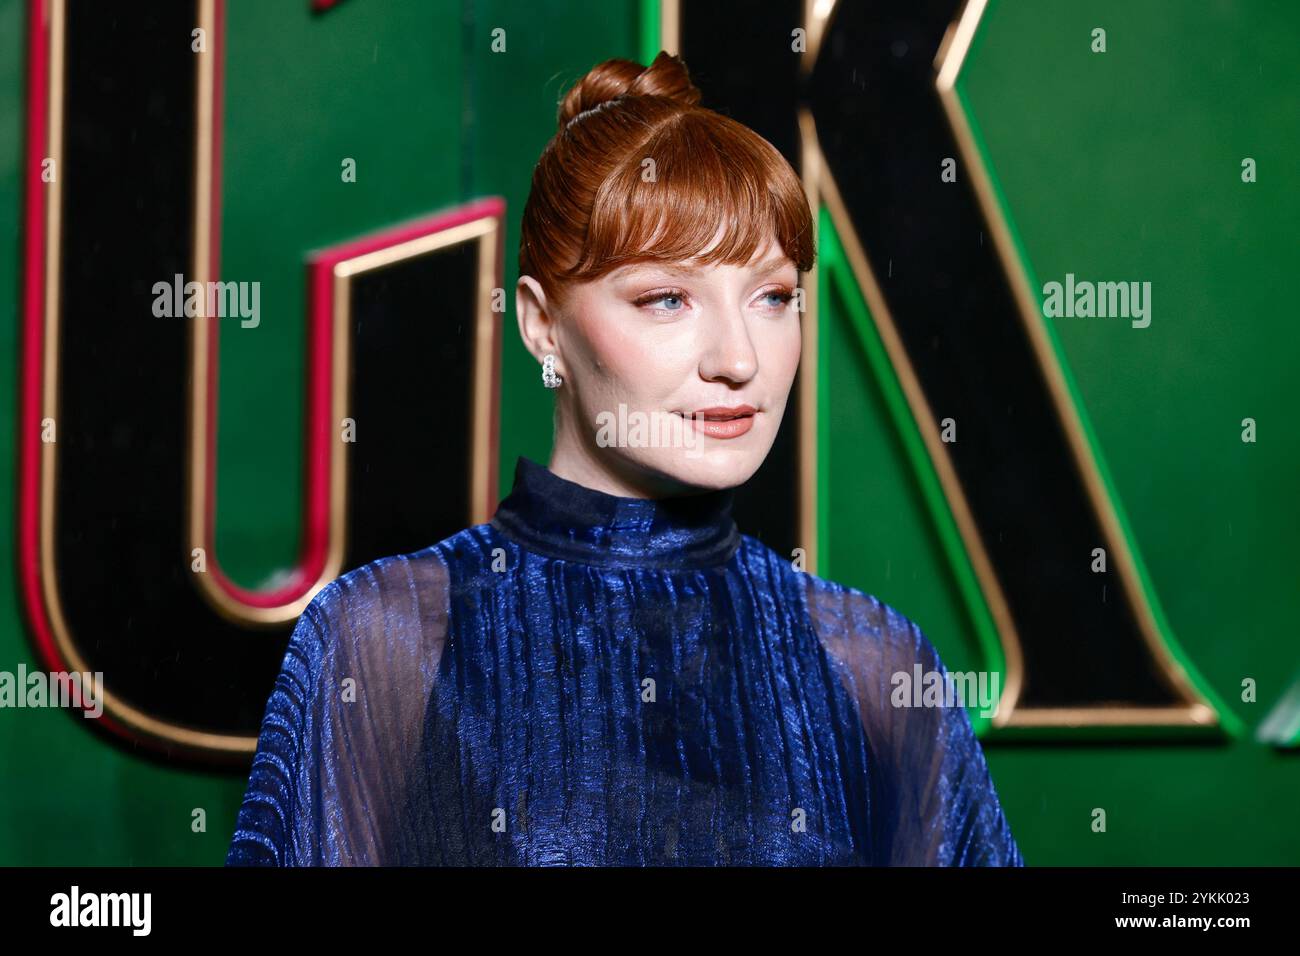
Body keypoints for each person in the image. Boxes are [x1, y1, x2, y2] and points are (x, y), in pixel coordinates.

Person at [226, 51, 1023, 866]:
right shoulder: (386, 641)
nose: (738, 359)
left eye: (773, 296)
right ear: (541, 324)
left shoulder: (875, 664)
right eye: (667, 298)